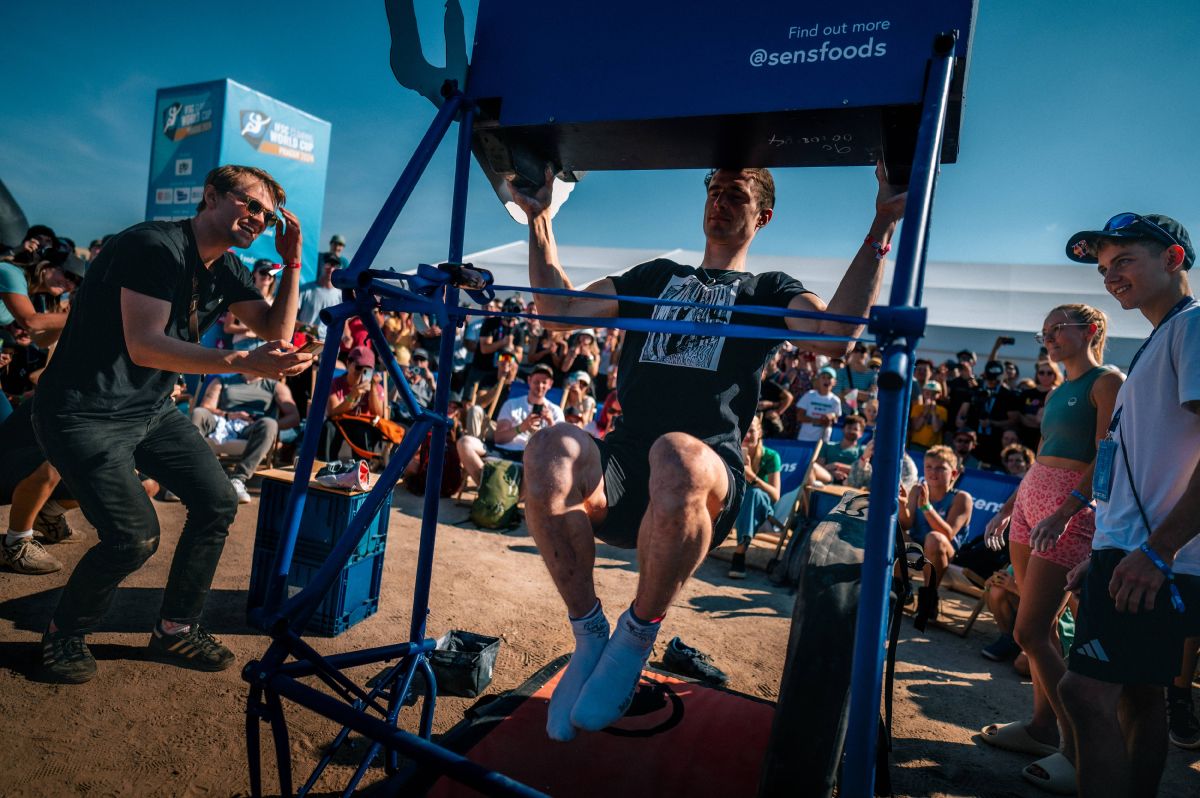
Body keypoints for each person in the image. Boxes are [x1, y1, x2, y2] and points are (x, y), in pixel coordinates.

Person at [508, 163, 906, 741]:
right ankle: (591, 632)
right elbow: (558, 313)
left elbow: (834, 335)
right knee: (548, 446)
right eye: (714, 191)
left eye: (736, 194)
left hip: (706, 473)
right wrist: (539, 217)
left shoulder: (769, 288)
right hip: (625, 466)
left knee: (678, 453)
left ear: (762, 216)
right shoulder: (657, 275)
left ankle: (638, 634)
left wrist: (882, 221)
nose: (719, 201)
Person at [31, 164, 313, 684]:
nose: (258, 219)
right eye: (250, 204)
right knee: (133, 537)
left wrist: (293, 262)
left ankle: (175, 627)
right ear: (210, 196)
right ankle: (63, 634)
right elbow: (146, 344)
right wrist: (244, 363)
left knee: (218, 500)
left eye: (268, 216)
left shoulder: (226, 267)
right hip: (82, 411)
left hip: (149, 410)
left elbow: (278, 328)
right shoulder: (153, 246)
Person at [1052, 214, 1200, 798]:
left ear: (1173, 258)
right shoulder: (1161, 339)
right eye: (1104, 269)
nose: (1111, 278)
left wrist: (1155, 552)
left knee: (1083, 694)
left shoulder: (1191, 328)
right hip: (1133, 549)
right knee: (1140, 695)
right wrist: (1110, 546)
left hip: (1155, 555)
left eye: (1124, 261)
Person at [191, 373, 300, 503]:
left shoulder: (275, 386)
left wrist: (270, 428)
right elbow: (206, 407)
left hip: (251, 427)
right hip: (222, 422)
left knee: (270, 424)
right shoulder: (222, 380)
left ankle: (238, 479)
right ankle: (189, 475)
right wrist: (229, 414)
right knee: (199, 413)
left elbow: (294, 417)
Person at [897, 445, 973, 627]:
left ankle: (928, 599)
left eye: (940, 468)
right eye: (929, 467)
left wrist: (926, 507)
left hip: (945, 552)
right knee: (892, 530)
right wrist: (901, 505)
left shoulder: (962, 498)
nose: (933, 472)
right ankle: (900, 589)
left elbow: (948, 534)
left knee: (935, 538)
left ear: (954, 474)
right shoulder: (917, 490)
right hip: (917, 546)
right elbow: (906, 524)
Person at [457, 363, 564, 485]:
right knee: (464, 443)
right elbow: (499, 438)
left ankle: (496, 490)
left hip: (530, 458)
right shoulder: (512, 404)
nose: (540, 385)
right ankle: (488, 485)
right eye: (536, 381)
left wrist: (550, 422)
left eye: (544, 382)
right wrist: (522, 427)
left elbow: (559, 446)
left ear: (550, 384)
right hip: (502, 451)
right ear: (529, 381)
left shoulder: (555, 411)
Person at [728, 414, 781, 578]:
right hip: (734, 508)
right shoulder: (730, 451)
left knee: (754, 494)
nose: (748, 435)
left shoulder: (771, 456)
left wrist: (753, 477)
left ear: (760, 432)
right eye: (745, 431)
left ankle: (739, 553)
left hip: (762, 512)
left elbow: (775, 495)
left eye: (752, 431)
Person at [319, 345, 387, 460]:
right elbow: (332, 412)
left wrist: (373, 388)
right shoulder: (336, 383)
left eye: (367, 369)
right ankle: (326, 465)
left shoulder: (376, 386)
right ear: (348, 363)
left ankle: (361, 470)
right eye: (359, 367)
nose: (361, 372)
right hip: (340, 423)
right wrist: (353, 395)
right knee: (328, 427)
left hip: (363, 424)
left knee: (363, 431)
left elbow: (378, 414)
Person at [1015, 360, 1062, 451]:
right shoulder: (1026, 394)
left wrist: (1031, 417)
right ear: (1037, 374)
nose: (1045, 376)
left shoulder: (1059, 394)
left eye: (1049, 373)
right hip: (1025, 438)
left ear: (1055, 375)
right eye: (1041, 372)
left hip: (1047, 441)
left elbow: (1052, 420)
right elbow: (1020, 416)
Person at [794, 366, 841, 443]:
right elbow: (799, 416)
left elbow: (836, 420)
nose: (826, 380)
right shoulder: (809, 395)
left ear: (834, 382)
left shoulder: (835, 400)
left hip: (823, 440)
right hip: (805, 438)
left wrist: (831, 416)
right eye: (823, 377)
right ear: (818, 380)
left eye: (829, 378)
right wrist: (817, 421)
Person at [908, 380, 947, 450]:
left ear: (939, 395)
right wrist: (925, 411)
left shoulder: (942, 411)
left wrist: (933, 412)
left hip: (933, 448)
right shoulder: (917, 408)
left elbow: (936, 429)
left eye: (934, 393)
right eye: (927, 392)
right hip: (916, 444)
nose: (930, 395)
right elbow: (916, 427)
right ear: (923, 392)